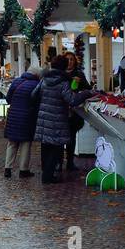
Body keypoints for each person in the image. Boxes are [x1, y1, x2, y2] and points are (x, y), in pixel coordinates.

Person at [33, 55, 97, 184]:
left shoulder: (44, 79)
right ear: (63, 66)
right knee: (56, 147)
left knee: (46, 146)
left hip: (44, 118)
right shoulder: (63, 82)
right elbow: (72, 100)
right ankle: (48, 177)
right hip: (57, 119)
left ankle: (46, 174)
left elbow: (33, 94)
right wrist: (85, 93)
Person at [2, 65, 41, 179]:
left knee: (12, 143)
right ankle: (23, 170)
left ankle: (7, 169)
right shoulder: (36, 85)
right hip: (27, 117)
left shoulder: (16, 81)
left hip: (13, 116)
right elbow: (37, 102)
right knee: (25, 143)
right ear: (36, 75)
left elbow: (8, 99)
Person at [63, 52, 89, 173]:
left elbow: (87, 89)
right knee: (61, 138)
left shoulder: (79, 74)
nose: (70, 62)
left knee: (72, 137)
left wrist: (80, 84)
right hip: (61, 110)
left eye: (72, 59)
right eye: (67, 59)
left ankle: (70, 162)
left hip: (74, 111)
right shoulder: (61, 74)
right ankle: (59, 162)